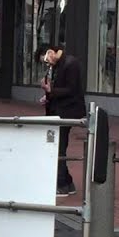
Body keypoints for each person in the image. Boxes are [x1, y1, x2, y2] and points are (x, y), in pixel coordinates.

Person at [40, 45, 87, 196]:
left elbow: (71, 89)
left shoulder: (70, 64)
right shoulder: (58, 65)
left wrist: (50, 91)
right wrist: (48, 95)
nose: (47, 63)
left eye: (47, 59)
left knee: (58, 146)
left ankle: (62, 184)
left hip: (67, 111)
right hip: (58, 110)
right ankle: (66, 181)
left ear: (51, 52)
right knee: (57, 146)